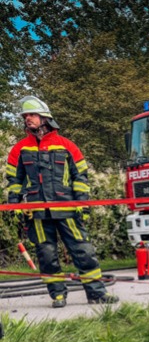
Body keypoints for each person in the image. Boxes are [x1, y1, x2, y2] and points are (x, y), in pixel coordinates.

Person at [5, 96, 117, 308]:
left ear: (44, 118)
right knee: (46, 256)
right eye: (25, 116)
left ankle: (96, 293)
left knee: (83, 251)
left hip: (68, 210)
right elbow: (15, 181)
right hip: (37, 213)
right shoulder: (19, 149)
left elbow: (81, 177)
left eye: (32, 115)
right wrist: (15, 206)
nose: (28, 118)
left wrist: (82, 204)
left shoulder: (67, 146)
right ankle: (57, 295)